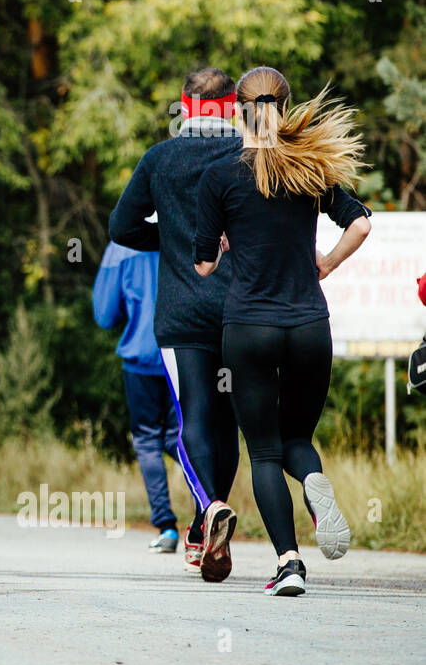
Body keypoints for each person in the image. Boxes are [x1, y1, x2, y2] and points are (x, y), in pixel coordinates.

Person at [195, 66, 370, 596]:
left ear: (235, 111)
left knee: (264, 452)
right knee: (297, 439)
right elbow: (360, 223)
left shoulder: (220, 176)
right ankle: (314, 485)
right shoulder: (311, 166)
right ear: (287, 107)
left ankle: (290, 563)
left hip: (249, 326)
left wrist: (226, 243)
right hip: (309, 326)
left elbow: (202, 264)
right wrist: (327, 264)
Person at [109, 67, 243, 581]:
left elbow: (121, 226)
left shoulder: (161, 159)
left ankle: (207, 511)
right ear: (231, 107)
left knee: (195, 416)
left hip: (184, 312)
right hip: (242, 309)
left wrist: (175, 246)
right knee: (228, 420)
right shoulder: (251, 157)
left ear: (186, 107)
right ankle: (207, 518)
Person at [93, 242, 182, 551]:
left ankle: (167, 528)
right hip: (184, 356)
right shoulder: (188, 225)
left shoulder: (122, 245)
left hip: (141, 356)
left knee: (146, 439)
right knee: (181, 437)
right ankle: (209, 506)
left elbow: (104, 314)